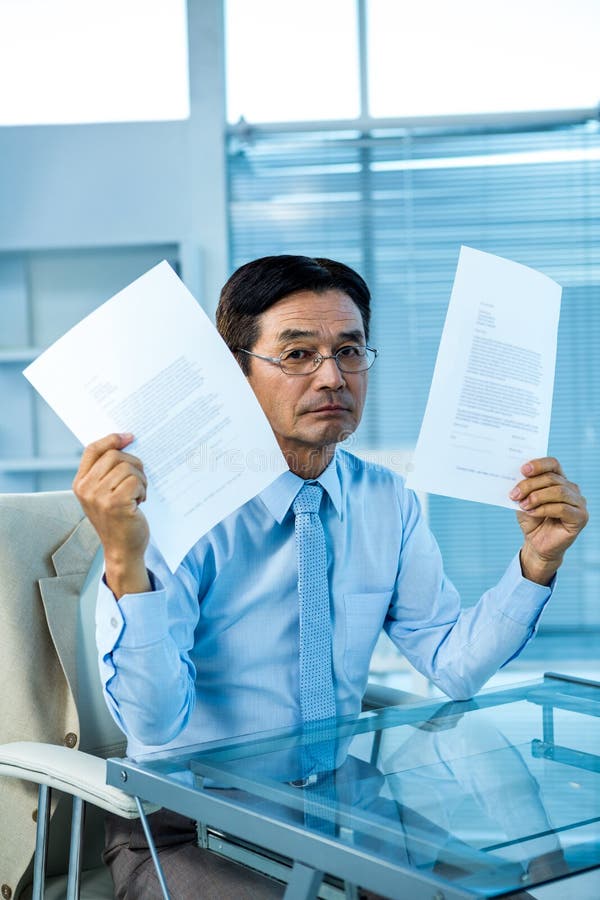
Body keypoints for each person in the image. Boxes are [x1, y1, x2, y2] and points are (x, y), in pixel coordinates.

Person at [73, 255, 588, 899]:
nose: (332, 376)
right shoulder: (182, 514)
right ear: (236, 371)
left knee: (501, 889)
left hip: (337, 805)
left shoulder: (386, 501)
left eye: (349, 350)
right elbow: (156, 724)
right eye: (297, 355)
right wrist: (124, 558)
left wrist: (538, 563)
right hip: (187, 825)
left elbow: (453, 666)